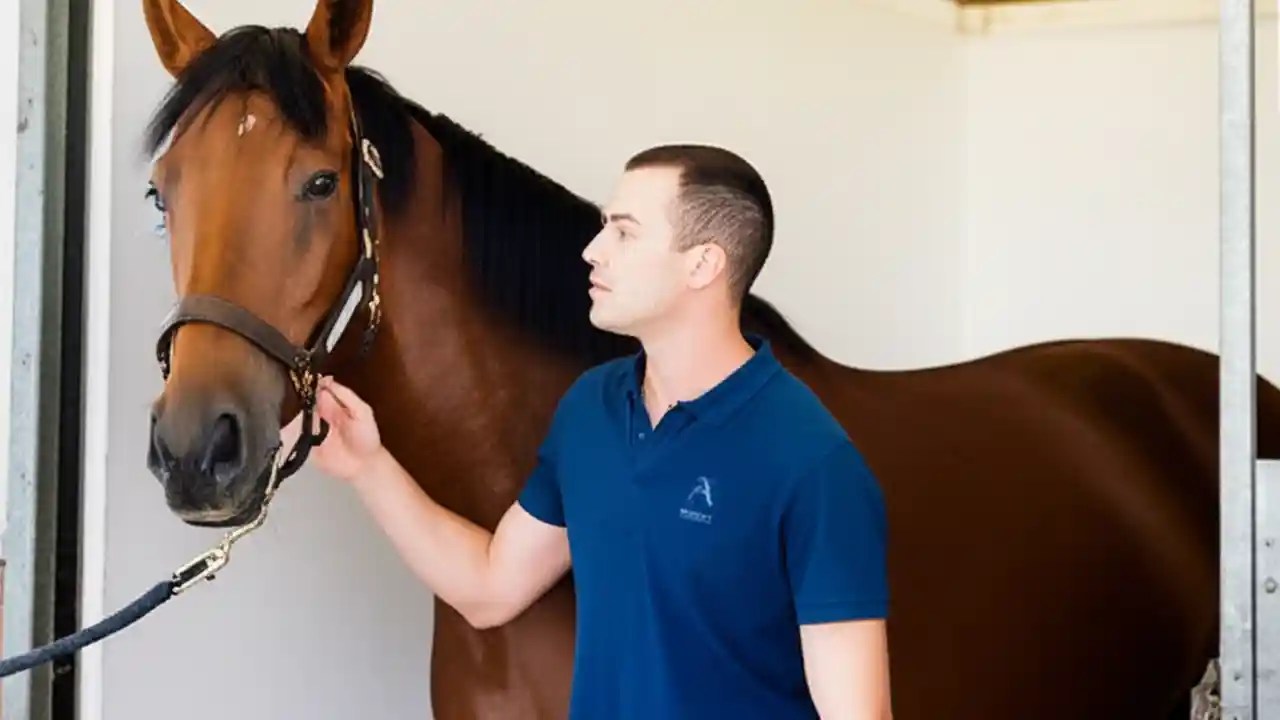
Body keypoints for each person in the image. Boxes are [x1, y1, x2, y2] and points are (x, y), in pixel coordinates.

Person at [287, 144, 893, 719]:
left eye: (624, 232)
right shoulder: (591, 410)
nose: (593, 250)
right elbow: (490, 587)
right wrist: (368, 467)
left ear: (703, 264)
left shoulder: (812, 464)